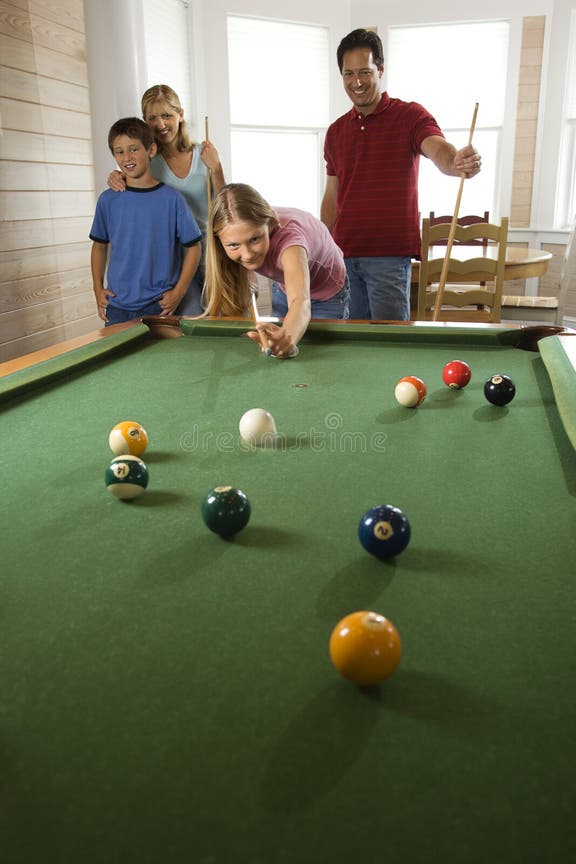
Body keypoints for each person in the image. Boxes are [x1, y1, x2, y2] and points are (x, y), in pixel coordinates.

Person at [320, 28, 482, 321]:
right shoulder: (335, 132)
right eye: (348, 73)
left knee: (390, 342)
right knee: (352, 344)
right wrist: (322, 244)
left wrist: (457, 162)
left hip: (388, 259)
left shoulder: (410, 116)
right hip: (343, 256)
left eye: (365, 72)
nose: (356, 82)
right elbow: (332, 196)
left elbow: (438, 150)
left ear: (380, 70)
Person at [108, 85, 225, 315]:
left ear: (180, 115)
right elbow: (131, 182)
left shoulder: (204, 153)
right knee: (191, 317)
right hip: (175, 255)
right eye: (152, 118)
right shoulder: (148, 161)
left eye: (167, 115)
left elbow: (224, 203)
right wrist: (115, 176)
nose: (160, 124)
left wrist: (217, 168)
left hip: (211, 248)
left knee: (221, 317)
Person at [204, 183, 350, 359]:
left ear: (270, 225)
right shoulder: (234, 234)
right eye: (234, 245)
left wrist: (287, 340)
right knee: (276, 343)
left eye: (255, 239)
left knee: (318, 357)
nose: (247, 255)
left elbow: (300, 302)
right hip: (285, 285)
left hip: (327, 290)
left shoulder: (290, 244)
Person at [90, 117, 202, 325]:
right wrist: (97, 288)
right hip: (118, 305)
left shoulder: (172, 199)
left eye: (134, 149)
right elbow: (99, 246)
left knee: (162, 357)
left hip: (159, 304)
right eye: (119, 151)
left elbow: (194, 247)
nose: (126, 157)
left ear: (151, 150)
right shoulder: (107, 200)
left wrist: (179, 292)